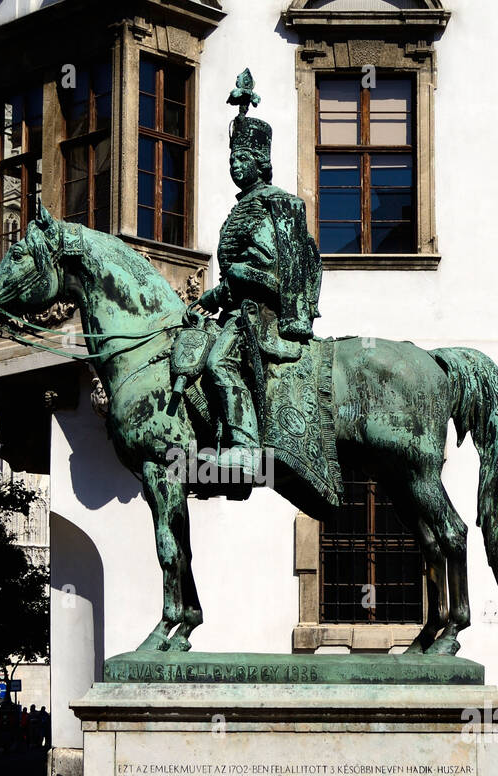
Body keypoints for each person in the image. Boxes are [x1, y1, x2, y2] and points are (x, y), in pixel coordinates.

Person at [193, 68, 321, 475]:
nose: (236, 165)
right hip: (238, 307)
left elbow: (266, 267)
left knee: (217, 363)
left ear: (261, 162)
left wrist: (225, 288)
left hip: (261, 311)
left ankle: (246, 448)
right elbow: (234, 275)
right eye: (232, 158)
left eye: (243, 158)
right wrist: (211, 299)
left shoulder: (265, 204)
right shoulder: (241, 206)